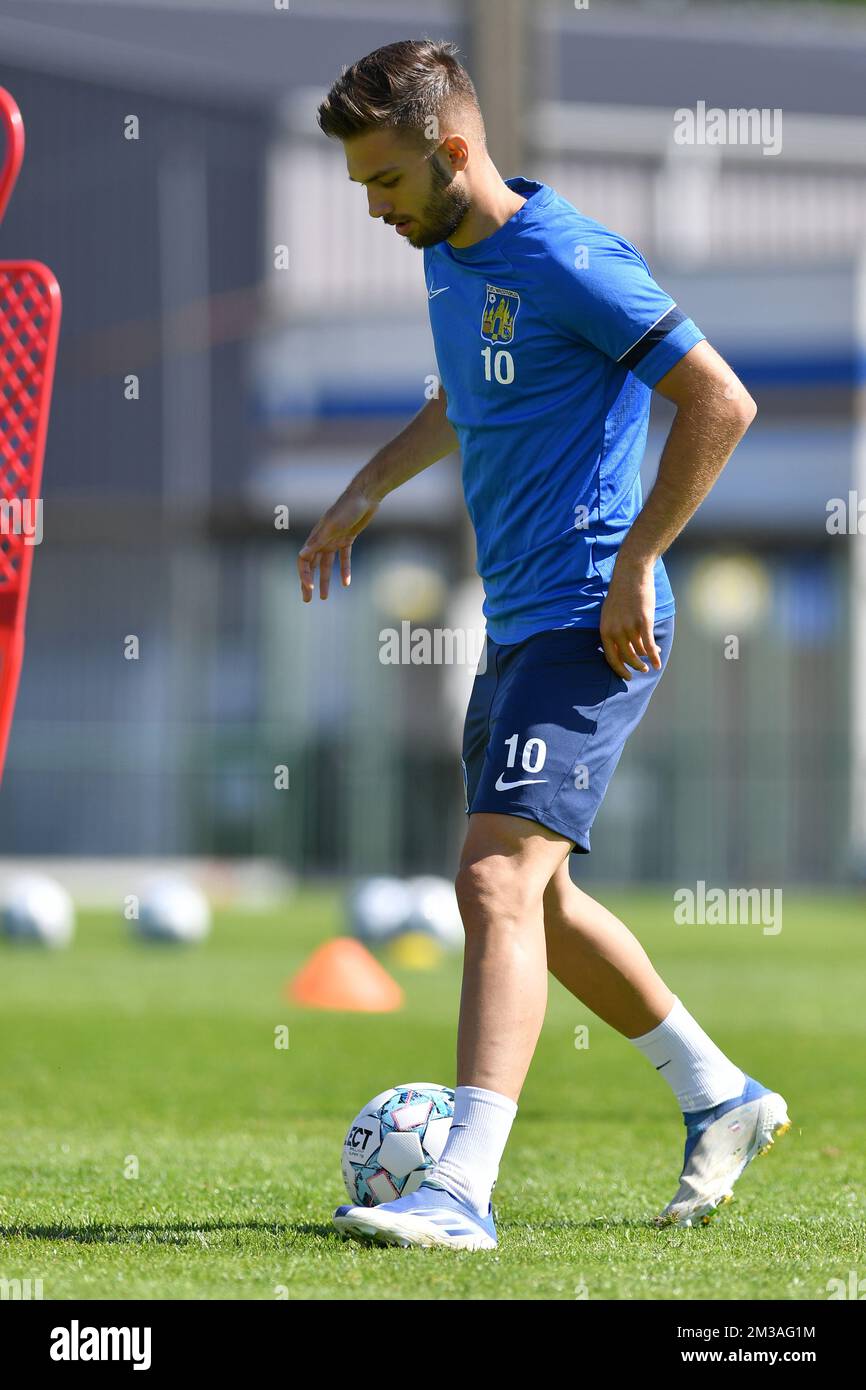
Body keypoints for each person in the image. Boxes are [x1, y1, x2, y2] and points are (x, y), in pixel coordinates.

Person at [298, 38, 789, 1251]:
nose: (371, 205)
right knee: (545, 898)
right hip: (520, 622)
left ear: (452, 150)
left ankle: (458, 1186)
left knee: (491, 880)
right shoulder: (450, 255)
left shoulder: (566, 255)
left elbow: (718, 399)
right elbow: (469, 394)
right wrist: (364, 488)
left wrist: (634, 562)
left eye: (384, 182)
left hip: (590, 614)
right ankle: (716, 1094)